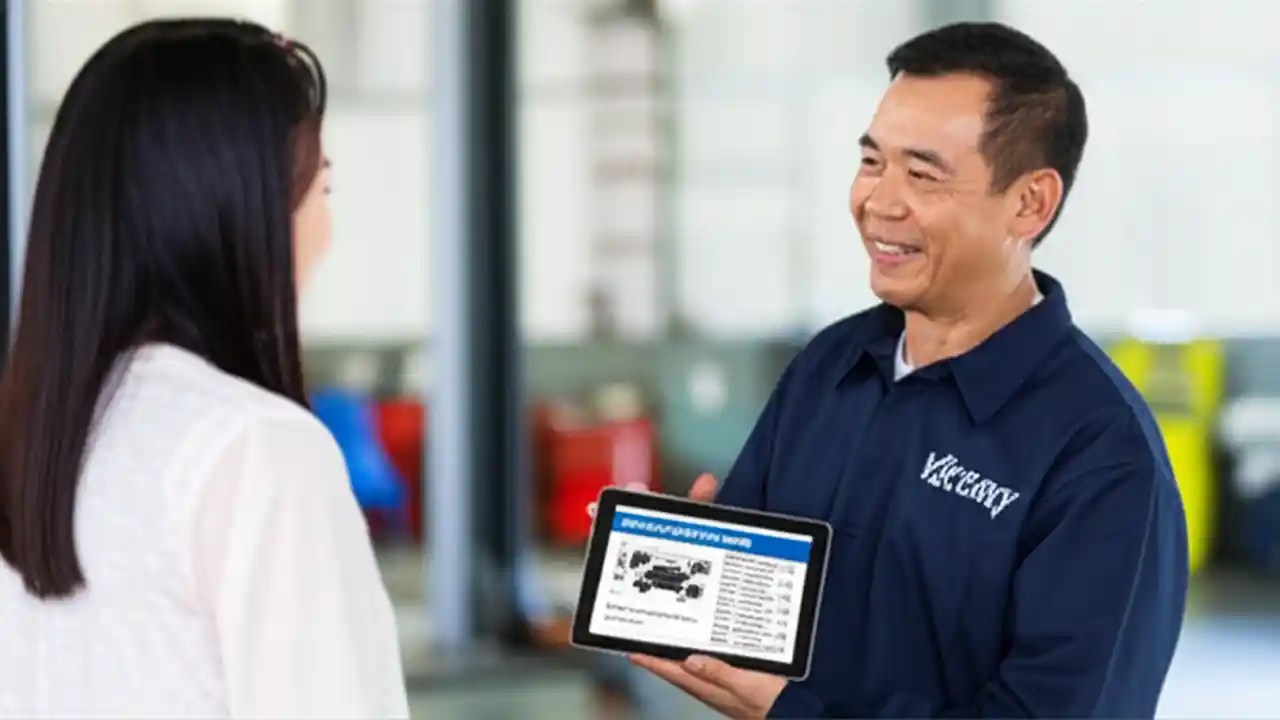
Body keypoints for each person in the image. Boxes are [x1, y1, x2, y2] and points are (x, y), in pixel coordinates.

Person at [625, 22, 1188, 718]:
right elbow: (751, 626)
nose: (879, 203)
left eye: (922, 175)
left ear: (1030, 203)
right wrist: (670, 563)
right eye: (872, 162)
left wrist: (798, 715)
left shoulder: (1101, 452)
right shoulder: (830, 368)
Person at [0, 20, 409, 718]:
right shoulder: (255, 447)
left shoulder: (35, 448)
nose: (327, 231)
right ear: (243, 215)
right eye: (323, 190)